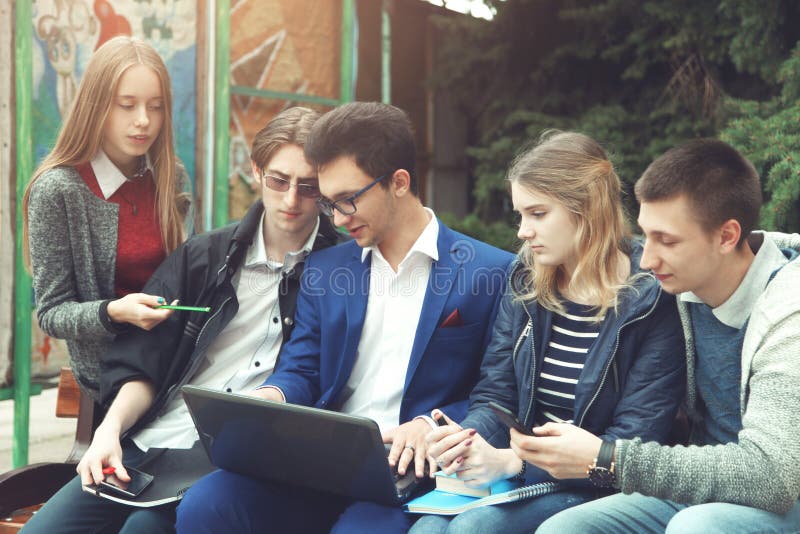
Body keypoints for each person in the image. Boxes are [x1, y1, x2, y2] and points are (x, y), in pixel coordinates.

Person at [175, 101, 515, 533]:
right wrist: (270, 399)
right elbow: (302, 369)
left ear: (398, 182)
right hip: (318, 463)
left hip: (412, 473)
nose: (336, 218)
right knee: (207, 505)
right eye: (329, 204)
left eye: (348, 201)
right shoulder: (327, 269)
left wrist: (430, 424)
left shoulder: (489, 271)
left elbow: (497, 397)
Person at [20, 106, 347, 534]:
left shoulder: (341, 271)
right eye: (279, 180)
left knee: (142, 529)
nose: (291, 200)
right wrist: (110, 431)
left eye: (308, 186)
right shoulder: (204, 257)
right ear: (255, 170)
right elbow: (147, 359)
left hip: (234, 461)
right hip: (154, 441)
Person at [409, 131, 686, 533]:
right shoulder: (526, 280)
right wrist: (468, 441)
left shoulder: (651, 297)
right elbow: (496, 396)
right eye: (520, 215)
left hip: (598, 487)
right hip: (520, 471)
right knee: (426, 528)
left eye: (538, 214)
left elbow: (633, 440)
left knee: (476, 529)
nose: (522, 231)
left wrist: (516, 464)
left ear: (587, 209)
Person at [535, 139, 800, 533]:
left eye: (668, 241)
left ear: (727, 236)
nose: (647, 260)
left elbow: (771, 477)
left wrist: (609, 457)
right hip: (701, 485)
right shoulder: (675, 289)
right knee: (565, 529)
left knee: (696, 527)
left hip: (783, 495)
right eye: (647, 235)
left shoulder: (789, 312)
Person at [23, 36, 192, 401]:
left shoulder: (170, 176)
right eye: (127, 105)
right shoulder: (58, 190)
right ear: (97, 105)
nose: (144, 121)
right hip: (108, 381)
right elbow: (52, 313)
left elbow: (185, 274)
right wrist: (114, 312)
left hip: (176, 367)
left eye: (157, 106)